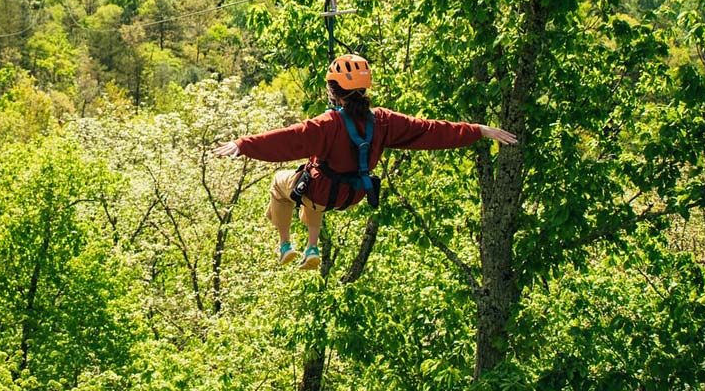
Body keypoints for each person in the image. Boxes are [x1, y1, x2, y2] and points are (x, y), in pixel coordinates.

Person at [213, 54, 516, 271]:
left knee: (284, 186)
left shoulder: (328, 124)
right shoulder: (383, 121)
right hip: (353, 193)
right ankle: (312, 246)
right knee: (312, 192)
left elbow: (289, 139)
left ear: (333, 91)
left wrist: (244, 144)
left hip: (321, 190)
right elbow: (429, 130)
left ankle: (285, 245)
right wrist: (477, 130)